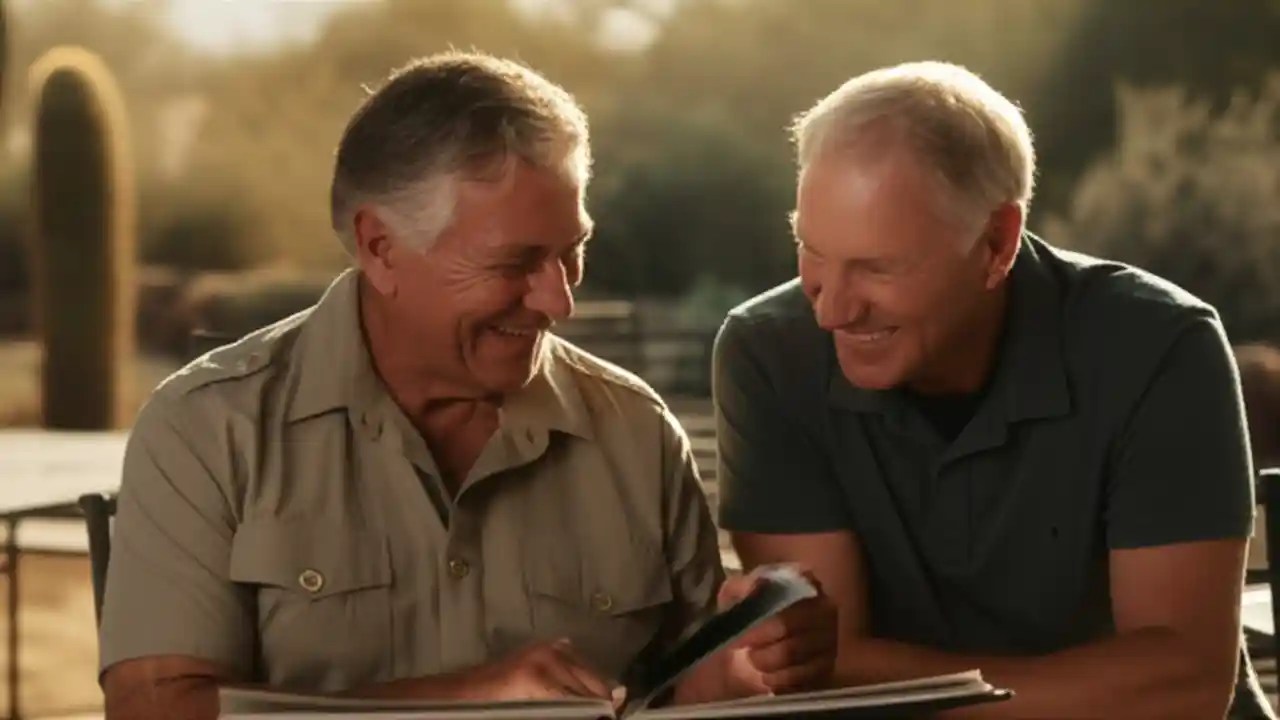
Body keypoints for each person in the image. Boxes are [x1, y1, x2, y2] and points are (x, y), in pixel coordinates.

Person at [98, 52, 835, 719]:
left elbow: (670, 695)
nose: (558, 300)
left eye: (571, 253)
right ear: (380, 247)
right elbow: (155, 713)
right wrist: (467, 701)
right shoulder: (208, 428)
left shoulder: (634, 433)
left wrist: (744, 667)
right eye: (516, 263)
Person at [712, 60, 1262, 718]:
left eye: (878, 267)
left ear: (998, 242)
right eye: (811, 249)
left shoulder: (1159, 346)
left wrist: (877, 679)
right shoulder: (766, 353)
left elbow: (1182, 687)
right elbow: (814, 671)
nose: (831, 311)